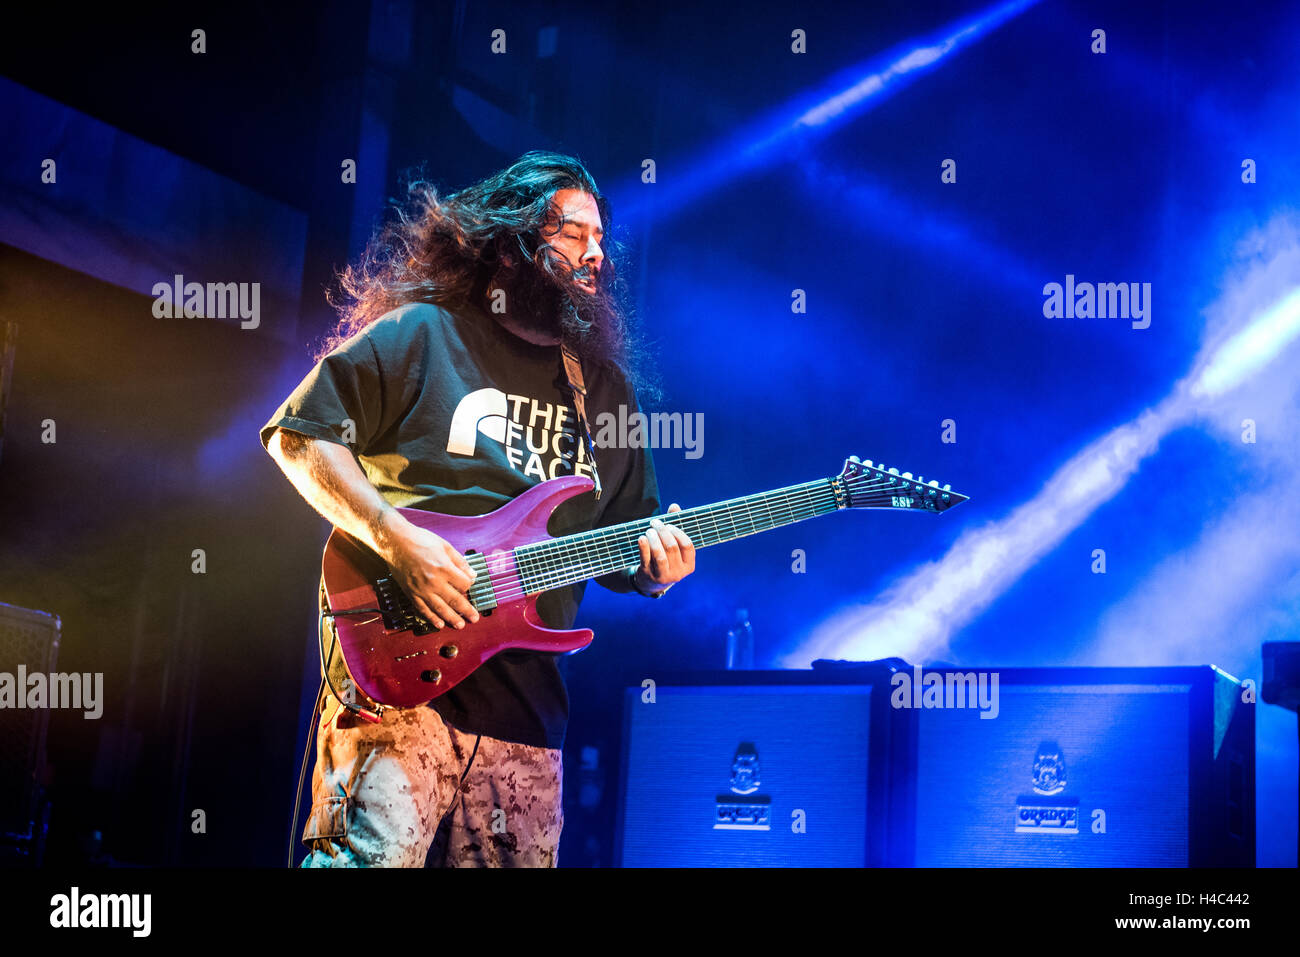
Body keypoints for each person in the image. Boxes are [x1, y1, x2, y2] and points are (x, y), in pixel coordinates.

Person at [260, 151, 695, 867]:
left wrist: (657, 570)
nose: (597, 254)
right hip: (397, 686)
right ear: (510, 241)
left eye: (600, 238)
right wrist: (394, 537)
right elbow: (298, 435)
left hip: (527, 719)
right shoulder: (423, 335)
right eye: (572, 234)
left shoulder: (602, 389)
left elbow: (627, 540)